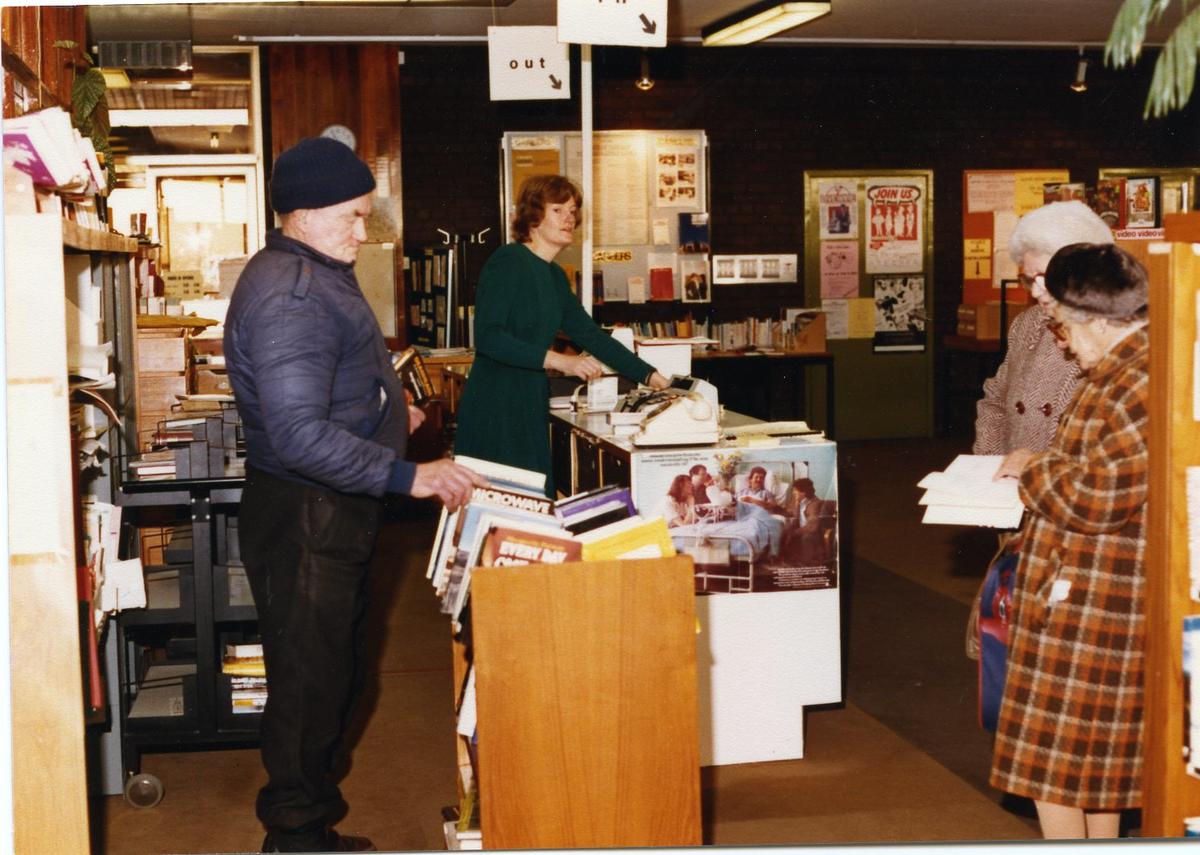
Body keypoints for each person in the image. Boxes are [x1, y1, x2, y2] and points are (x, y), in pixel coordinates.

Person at [225, 137, 485, 854]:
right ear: (301, 214)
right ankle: (296, 837)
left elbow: (328, 387)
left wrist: (382, 410)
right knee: (312, 684)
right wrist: (414, 475)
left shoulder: (312, 265)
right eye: (350, 217)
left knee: (330, 670)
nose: (361, 233)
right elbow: (300, 435)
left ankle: (309, 820)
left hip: (324, 507)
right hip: (310, 512)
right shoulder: (292, 294)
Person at [989, 243, 1150, 839]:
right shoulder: (1123, 371)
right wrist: (1050, 460)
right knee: (1094, 768)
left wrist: (1033, 470)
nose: (1061, 341)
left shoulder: (1132, 381)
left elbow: (1098, 496)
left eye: (1062, 325)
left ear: (1097, 320)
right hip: (1089, 587)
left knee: (1054, 765)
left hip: (1093, 595)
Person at [454, 174, 670, 496]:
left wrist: (653, 377)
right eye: (558, 210)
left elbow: (590, 335)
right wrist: (561, 361)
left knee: (532, 502)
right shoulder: (509, 261)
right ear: (533, 217)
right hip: (496, 403)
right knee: (505, 506)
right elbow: (489, 337)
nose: (569, 218)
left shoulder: (554, 276)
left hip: (528, 399)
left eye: (572, 211)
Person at [974, 201, 1113, 456]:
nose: (1037, 292)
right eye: (1029, 279)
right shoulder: (1028, 323)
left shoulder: (1113, 332)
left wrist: (1036, 469)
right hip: (1009, 483)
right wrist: (990, 463)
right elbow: (995, 401)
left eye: (1045, 277)